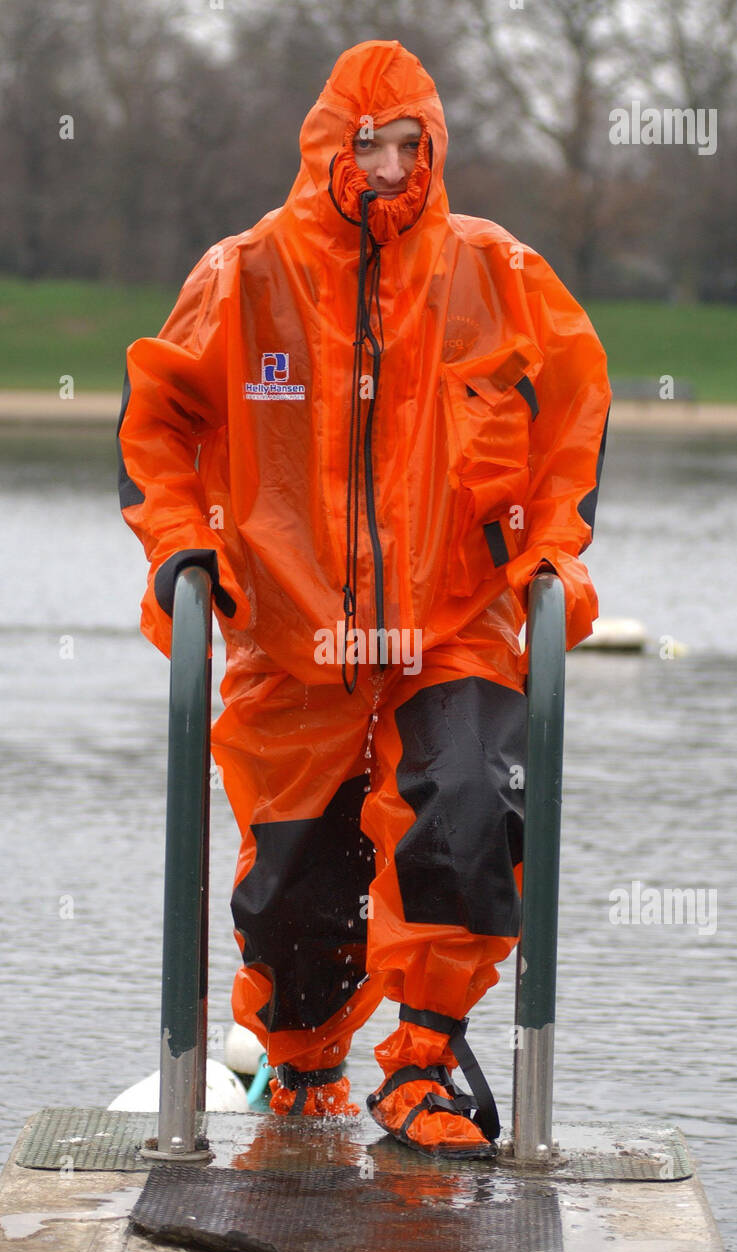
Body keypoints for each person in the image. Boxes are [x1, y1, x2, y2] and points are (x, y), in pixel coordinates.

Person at [117, 39, 611, 1158]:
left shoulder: (498, 270)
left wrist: (550, 550)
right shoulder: (244, 274)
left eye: (408, 145)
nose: (387, 168)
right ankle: (298, 1073)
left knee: (472, 812)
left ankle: (425, 1064)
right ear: (323, 149)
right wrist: (181, 546)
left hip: (459, 618)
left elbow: (573, 422)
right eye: (366, 146)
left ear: (435, 149)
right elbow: (156, 427)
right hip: (292, 638)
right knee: (295, 882)